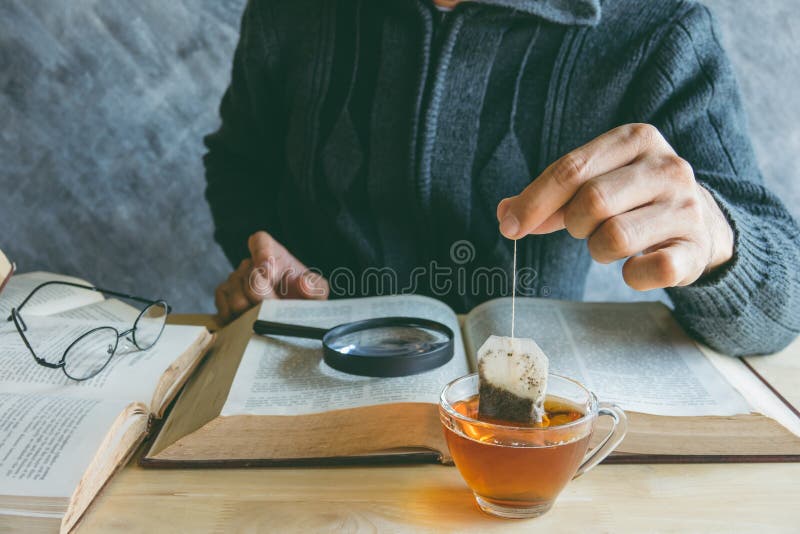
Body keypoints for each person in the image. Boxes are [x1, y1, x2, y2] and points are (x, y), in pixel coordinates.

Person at [205, 0, 800, 356]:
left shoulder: (661, 29)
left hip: (529, 431)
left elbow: (786, 303)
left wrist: (721, 246)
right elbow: (238, 165)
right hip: (316, 377)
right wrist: (264, 259)